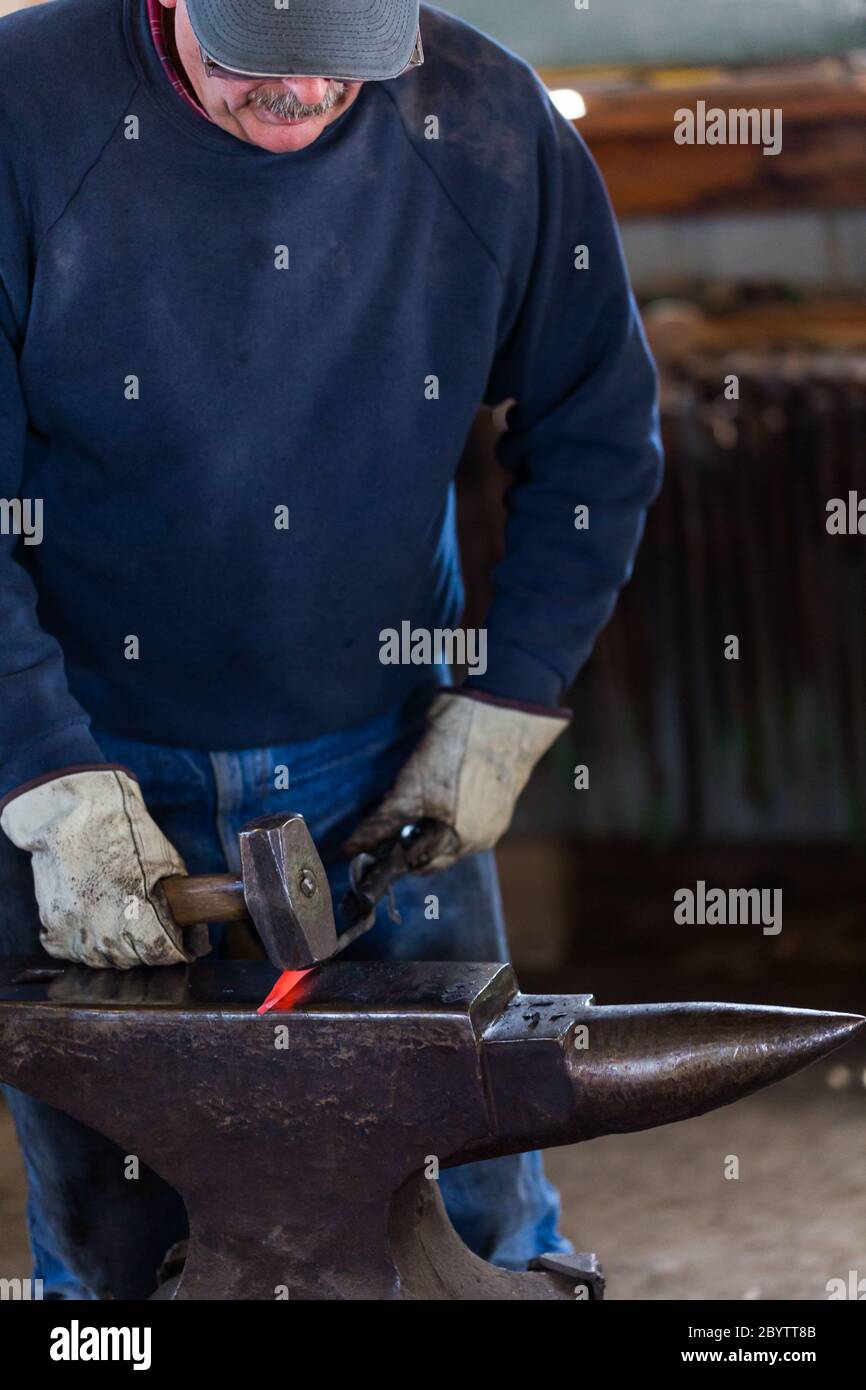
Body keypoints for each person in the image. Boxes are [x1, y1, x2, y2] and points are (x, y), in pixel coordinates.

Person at [0, 0, 662, 1297]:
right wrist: (38, 770)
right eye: (256, 59)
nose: (300, 97)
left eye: (340, 65)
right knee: (116, 1245)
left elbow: (597, 430)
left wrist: (509, 693)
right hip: (88, 763)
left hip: (380, 760)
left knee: (475, 1207)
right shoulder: (25, 111)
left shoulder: (489, 119)